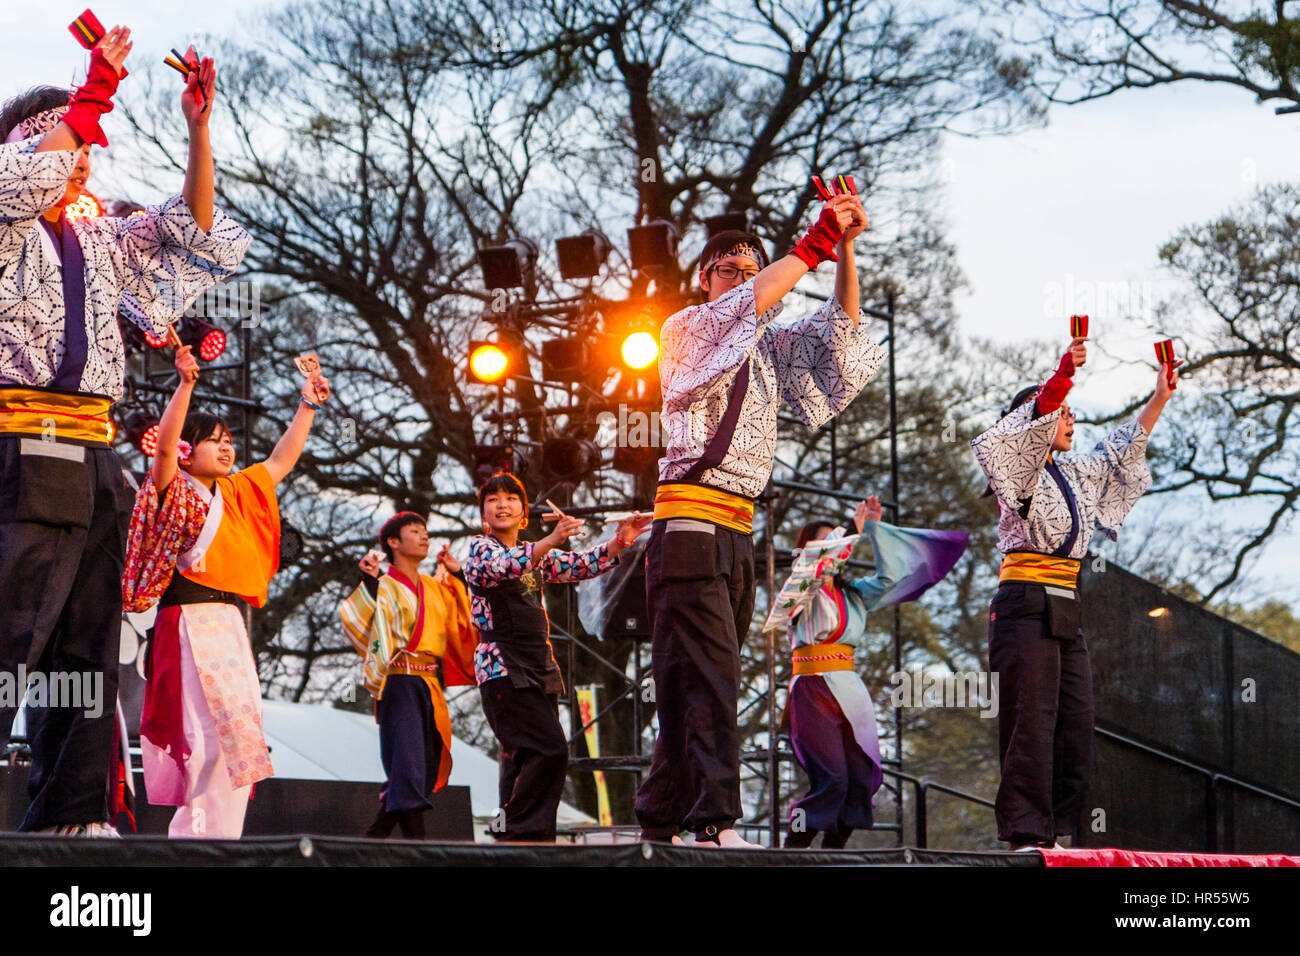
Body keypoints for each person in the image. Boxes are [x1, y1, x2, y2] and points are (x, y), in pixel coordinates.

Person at [0, 27, 250, 835]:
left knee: (86, 650)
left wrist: (199, 128)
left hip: (94, 455)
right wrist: (93, 90)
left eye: (80, 144)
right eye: (60, 138)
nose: (76, 155)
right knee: (9, 637)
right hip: (17, 444)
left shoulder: (102, 234)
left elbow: (194, 233)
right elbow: (26, 178)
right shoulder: (5, 215)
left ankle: (69, 817)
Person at [634, 194, 885, 848]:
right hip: (689, 520)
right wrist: (809, 245)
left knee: (693, 679)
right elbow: (740, 310)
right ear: (703, 279)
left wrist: (845, 247)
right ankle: (714, 819)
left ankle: (659, 816)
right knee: (713, 676)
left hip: (737, 531)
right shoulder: (685, 329)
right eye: (730, 270)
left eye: (752, 270)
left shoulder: (769, 351)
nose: (744, 281)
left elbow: (840, 335)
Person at [970, 334, 1178, 850]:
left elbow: (1120, 450)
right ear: (1030, 426)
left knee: (1076, 720)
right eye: (1060, 413)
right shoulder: (1014, 465)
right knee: (1030, 721)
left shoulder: (1074, 471)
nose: (1070, 420)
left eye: (1071, 412)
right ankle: (1025, 834)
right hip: (1023, 603)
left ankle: (1061, 832)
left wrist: (1159, 398)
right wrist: (1061, 376)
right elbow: (1034, 418)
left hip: (1065, 603)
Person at [126, 343, 330, 839]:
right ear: (185, 452)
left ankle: (220, 842)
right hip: (189, 622)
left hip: (228, 625)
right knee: (205, 739)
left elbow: (280, 461)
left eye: (228, 440)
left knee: (240, 740)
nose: (226, 447)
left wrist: (308, 405)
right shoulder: (173, 488)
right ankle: (195, 842)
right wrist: (185, 386)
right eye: (211, 440)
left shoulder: (236, 493)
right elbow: (166, 442)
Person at [465, 472, 651, 842]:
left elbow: (580, 565)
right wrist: (551, 539)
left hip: (538, 665)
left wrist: (621, 540)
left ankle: (525, 836)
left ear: (523, 512)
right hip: (501, 666)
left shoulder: (538, 555)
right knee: (548, 748)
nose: (502, 504)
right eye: (493, 499)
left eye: (511, 499)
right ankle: (522, 828)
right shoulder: (479, 548)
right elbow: (507, 566)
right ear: (484, 514)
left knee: (520, 758)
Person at [783, 497, 969, 849]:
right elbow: (819, 565)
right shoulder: (800, 588)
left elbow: (892, 577)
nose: (831, 547)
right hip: (812, 689)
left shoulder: (854, 594)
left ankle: (831, 857)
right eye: (823, 541)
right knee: (833, 779)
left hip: (849, 690)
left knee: (858, 782)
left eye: (834, 540)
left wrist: (873, 529)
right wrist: (852, 529)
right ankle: (790, 853)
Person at [339, 513, 477, 839]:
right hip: (400, 681)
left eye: (425, 532)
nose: (424, 536)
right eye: (415, 531)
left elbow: (463, 616)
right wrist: (370, 581)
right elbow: (357, 619)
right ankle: (420, 850)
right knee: (409, 769)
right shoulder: (384, 584)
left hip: (429, 683)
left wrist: (457, 574)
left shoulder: (434, 587)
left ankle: (369, 845)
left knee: (421, 771)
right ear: (393, 542)